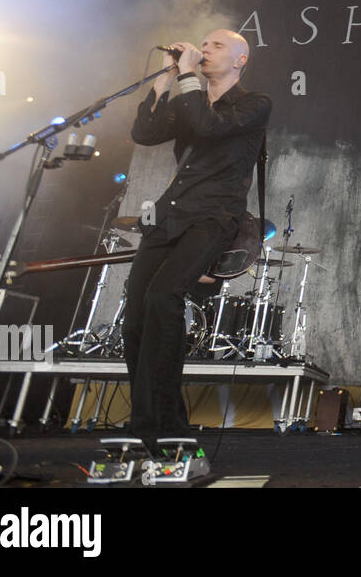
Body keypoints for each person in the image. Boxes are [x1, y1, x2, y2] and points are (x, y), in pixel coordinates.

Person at [123, 30, 271, 451]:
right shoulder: (187, 97)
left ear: (240, 60)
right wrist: (166, 79)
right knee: (135, 320)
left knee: (163, 298)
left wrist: (188, 75)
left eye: (216, 46)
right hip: (169, 217)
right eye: (202, 45)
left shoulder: (254, 103)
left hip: (213, 217)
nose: (204, 50)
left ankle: (169, 425)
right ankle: (146, 424)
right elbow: (145, 132)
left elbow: (208, 128)